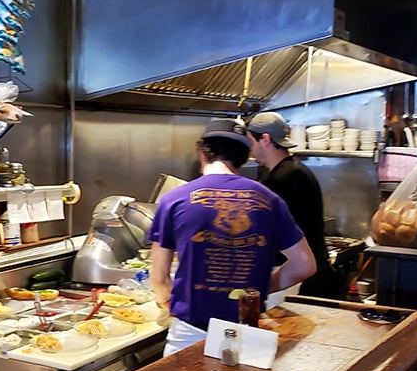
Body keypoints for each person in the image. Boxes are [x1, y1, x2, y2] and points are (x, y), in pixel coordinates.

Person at [149, 117, 317, 356]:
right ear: (243, 157)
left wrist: (167, 300)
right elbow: (305, 266)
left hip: (190, 331)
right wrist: (258, 289)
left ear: (202, 153)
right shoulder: (271, 201)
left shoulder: (174, 199)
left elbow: (159, 277)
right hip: (247, 330)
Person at [247, 110, 347, 299]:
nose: (249, 148)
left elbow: (270, 232)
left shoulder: (284, 179)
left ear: (265, 139)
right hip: (305, 271)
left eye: (251, 141)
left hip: (298, 277)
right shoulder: (289, 170)